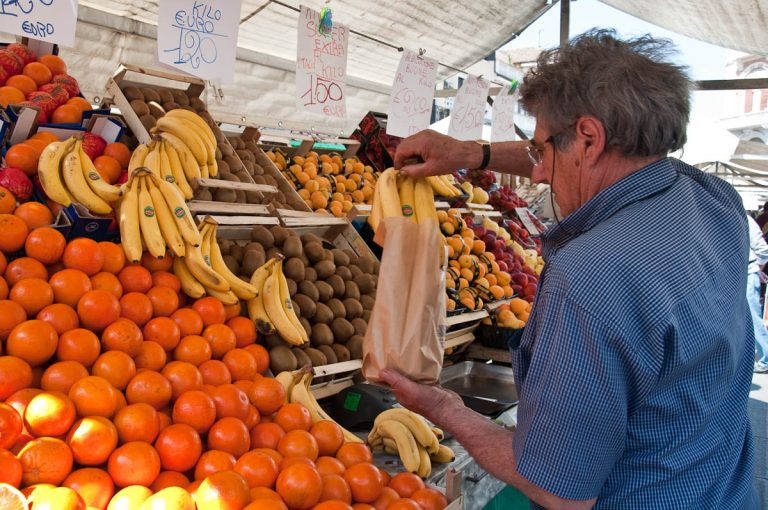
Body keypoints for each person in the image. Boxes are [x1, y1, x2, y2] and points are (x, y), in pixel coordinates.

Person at [383, 29, 757, 509]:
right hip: (723, 490)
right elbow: (579, 153)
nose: (537, 171)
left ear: (588, 138)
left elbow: (559, 492)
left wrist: (444, 408)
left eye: (541, 150)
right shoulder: (715, 200)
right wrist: (472, 154)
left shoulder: (591, 276)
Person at [747, 214, 768, 372]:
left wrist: (756, 269)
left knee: (754, 318)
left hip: (747, 273)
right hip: (743, 273)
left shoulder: (746, 219)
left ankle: (766, 358)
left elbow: (763, 250)